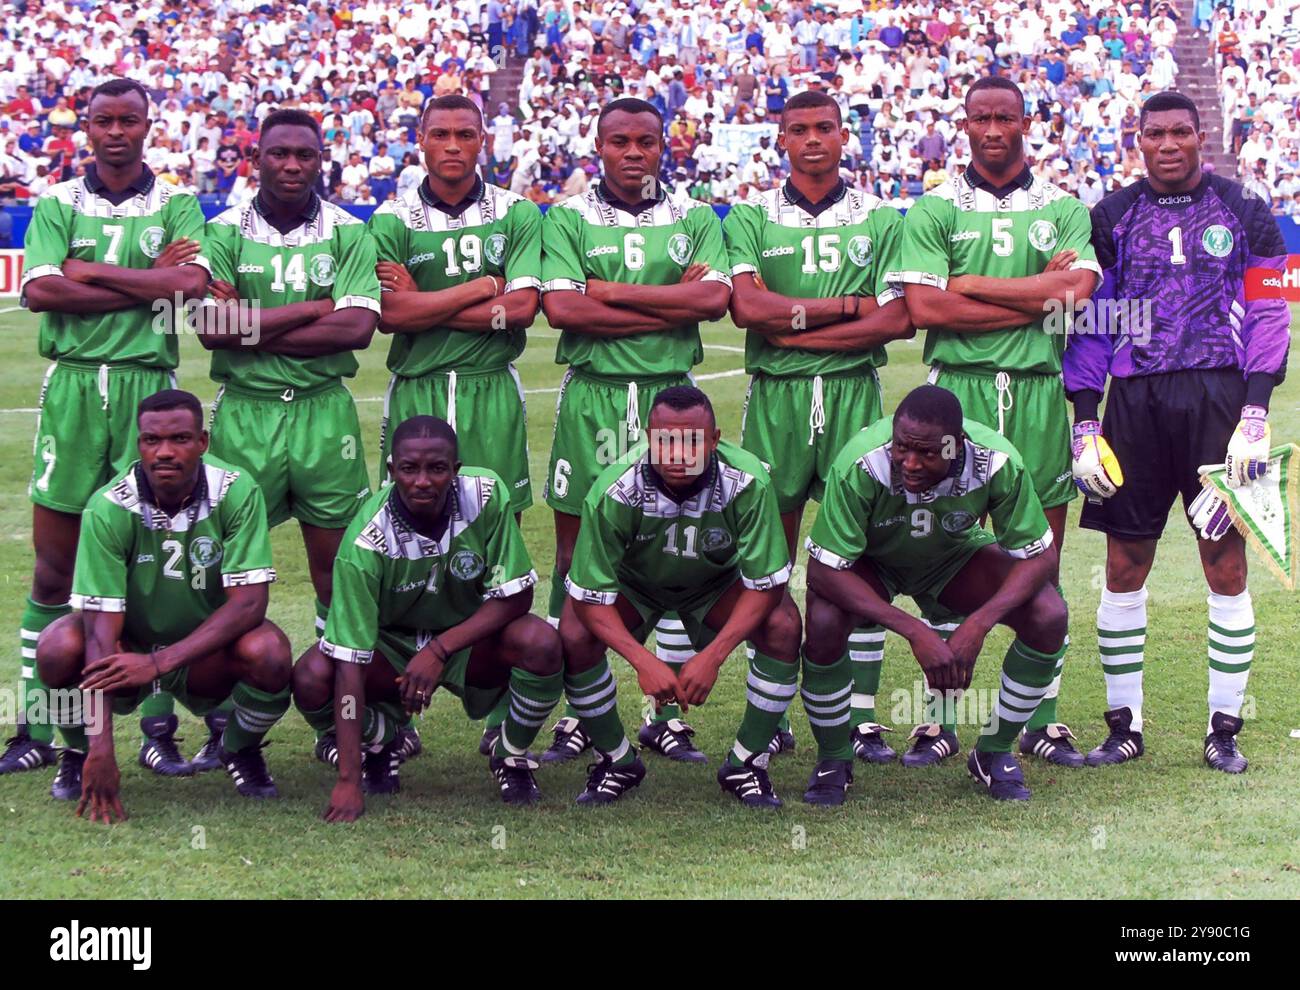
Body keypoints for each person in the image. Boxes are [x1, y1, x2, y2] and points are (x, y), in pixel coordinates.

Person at [1062, 92, 1291, 773]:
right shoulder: (1111, 215)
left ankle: (1224, 728)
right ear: (1139, 140)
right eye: (1155, 133)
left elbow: (1269, 312)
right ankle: (1124, 724)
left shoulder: (1247, 210)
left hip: (1219, 400)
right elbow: (1094, 326)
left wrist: (1255, 413)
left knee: (1225, 562)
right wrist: (1085, 424)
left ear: (1201, 137)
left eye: (1180, 133)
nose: (1168, 144)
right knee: (1125, 564)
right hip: (1135, 402)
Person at [4, 79, 210, 787]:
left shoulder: (177, 203)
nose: (116, 131)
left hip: (150, 395)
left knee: (147, 571)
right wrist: (140, 279)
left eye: (129, 120)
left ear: (149, 125)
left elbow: (187, 290)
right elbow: (40, 291)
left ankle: (157, 731)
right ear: (85, 128)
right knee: (56, 573)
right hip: (73, 390)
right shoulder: (58, 201)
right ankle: (41, 725)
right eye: (103, 120)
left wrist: (89, 269)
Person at [897, 76, 1100, 768]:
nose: (991, 130)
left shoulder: (1065, 207)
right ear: (964, 123)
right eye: (979, 118)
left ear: (1024, 122)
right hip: (959, 395)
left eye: (1003, 118)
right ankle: (941, 719)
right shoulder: (933, 209)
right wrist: (1034, 293)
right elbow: (925, 311)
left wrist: (968, 283)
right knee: (949, 556)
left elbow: (1075, 298)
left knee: (1042, 558)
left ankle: (1043, 720)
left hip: (1039, 394)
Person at [538, 97, 731, 764]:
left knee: (677, 556)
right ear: (598, 145)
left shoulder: (695, 217)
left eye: (644, 141)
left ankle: (665, 711)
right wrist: (668, 305)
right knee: (574, 561)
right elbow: (562, 307)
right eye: (618, 140)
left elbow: (713, 300)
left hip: (670, 402)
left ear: (663, 146)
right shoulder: (568, 217)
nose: (632, 152)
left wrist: (611, 294)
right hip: (592, 398)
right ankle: (576, 713)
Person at [725, 89, 913, 763]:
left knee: (857, 558)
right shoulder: (752, 215)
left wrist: (795, 329)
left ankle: (859, 716)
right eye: (798, 128)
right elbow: (747, 306)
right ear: (781, 138)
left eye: (824, 128)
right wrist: (842, 308)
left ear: (843, 135)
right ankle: (770, 715)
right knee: (767, 563)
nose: (812, 139)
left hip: (853, 398)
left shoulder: (879, 218)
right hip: (774, 401)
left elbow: (895, 319)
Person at [196, 108, 391, 759]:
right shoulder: (222, 230)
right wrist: (313, 307)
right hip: (244, 414)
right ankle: (224, 721)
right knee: (221, 573)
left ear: (321, 160)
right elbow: (212, 329)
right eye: (278, 153)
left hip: (321, 411)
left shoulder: (348, 232)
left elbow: (358, 328)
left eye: (304, 155)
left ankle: (333, 724)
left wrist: (256, 320)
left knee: (338, 575)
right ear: (257, 157)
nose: (291, 165)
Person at [561, 386, 843, 807]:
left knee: (783, 625)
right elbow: (586, 597)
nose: (677, 453)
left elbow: (767, 584)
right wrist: (644, 662)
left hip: (715, 583)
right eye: (665, 440)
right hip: (636, 585)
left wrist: (712, 657)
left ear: (714, 440)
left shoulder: (747, 480)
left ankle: (745, 763)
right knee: (572, 632)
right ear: (647, 437)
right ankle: (616, 760)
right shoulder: (615, 487)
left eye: (692, 441)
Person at [34, 390, 292, 819]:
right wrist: (102, 748)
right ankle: (77, 754)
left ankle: (239, 749)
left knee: (270, 652)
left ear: (203, 442)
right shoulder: (109, 506)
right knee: (57, 645)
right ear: (139, 444)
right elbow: (100, 634)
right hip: (126, 653)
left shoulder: (236, 490)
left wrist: (160, 663)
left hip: (202, 655)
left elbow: (250, 605)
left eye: (180, 439)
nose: (165, 452)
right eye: (152, 440)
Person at [805, 386, 1069, 801]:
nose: (910, 463)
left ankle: (993, 752)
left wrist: (979, 623)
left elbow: (1041, 558)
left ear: (956, 444)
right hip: (875, 563)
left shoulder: (996, 460)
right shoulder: (861, 461)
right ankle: (834, 756)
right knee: (823, 619)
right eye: (902, 447)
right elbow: (822, 572)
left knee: (1048, 613)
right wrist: (915, 631)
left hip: (953, 558)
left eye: (927, 454)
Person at [294, 416, 562, 818]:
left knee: (541, 643)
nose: (422, 481)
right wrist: (348, 781)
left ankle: (510, 755)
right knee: (313, 675)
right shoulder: (366, 542)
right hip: (390, 649)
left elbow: (517, 595)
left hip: (467, 641)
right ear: (391, 471)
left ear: (455, 470)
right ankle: (381, 743)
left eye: (436, 468)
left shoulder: (486, 494)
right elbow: (349, 665)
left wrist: (439, 649)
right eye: (409, 469)